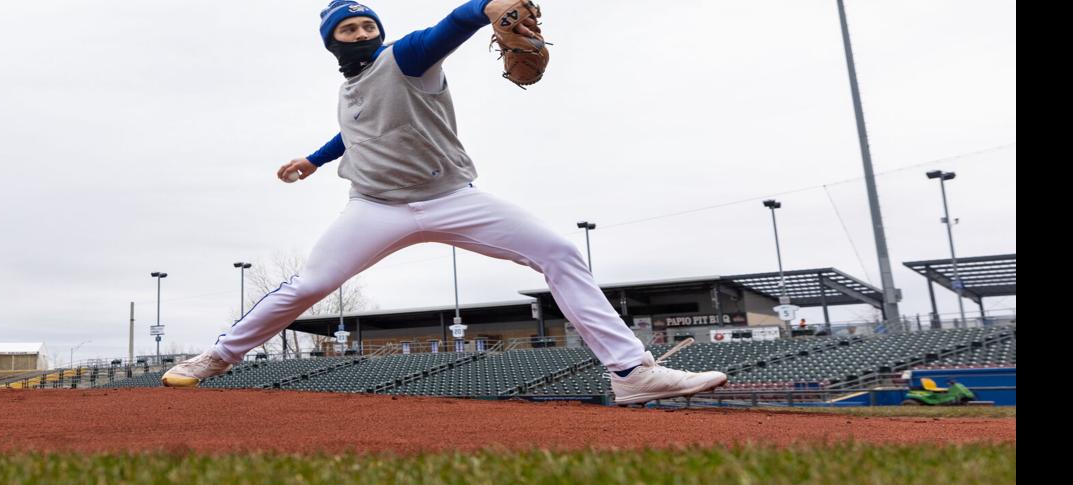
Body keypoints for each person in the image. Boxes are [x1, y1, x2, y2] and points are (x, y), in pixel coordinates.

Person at [162, 1, 726, 405]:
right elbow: (354, 132)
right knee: (309, 284)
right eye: (349, 28)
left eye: (368, 25)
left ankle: (630, 371)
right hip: (374, 207)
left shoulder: (405, 57)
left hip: (451, 198)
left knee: (558, 252)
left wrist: (488, 7)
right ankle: (216, 357)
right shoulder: (348, 89)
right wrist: (313, 160)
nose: (361, 33)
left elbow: (451, 24)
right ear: (333, 42)